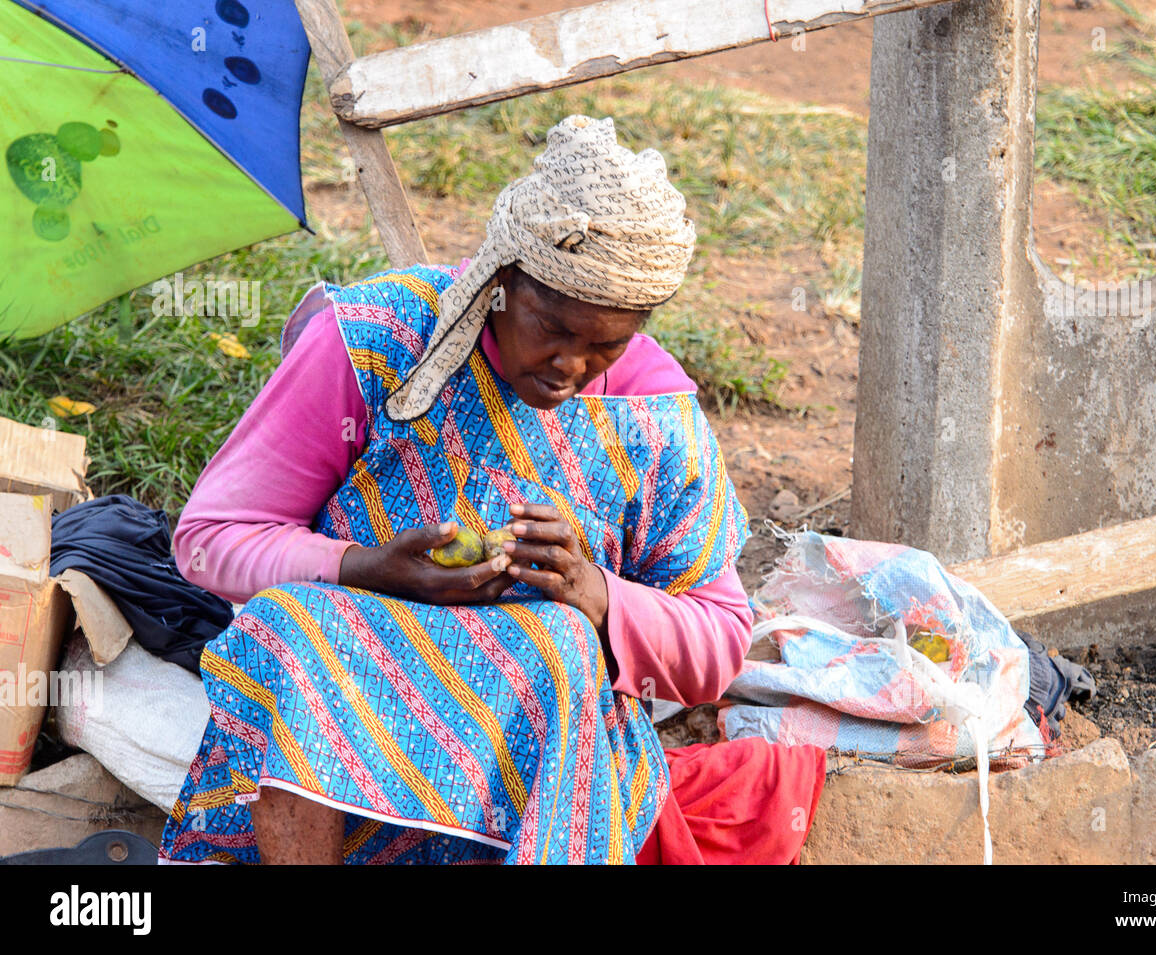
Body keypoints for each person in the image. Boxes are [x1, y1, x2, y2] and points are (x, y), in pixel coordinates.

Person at [159, 115, 752, 864]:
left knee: (565, 640)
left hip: (526, 729)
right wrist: (364, 566)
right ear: (499, 279)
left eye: (607, 343)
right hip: (353, 680)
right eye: (553, 327)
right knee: (294, 624)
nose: (573, 365)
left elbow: (720, 642)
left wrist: (595, 592)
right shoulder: (380, 340)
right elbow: (210, 538)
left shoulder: (653, 416)